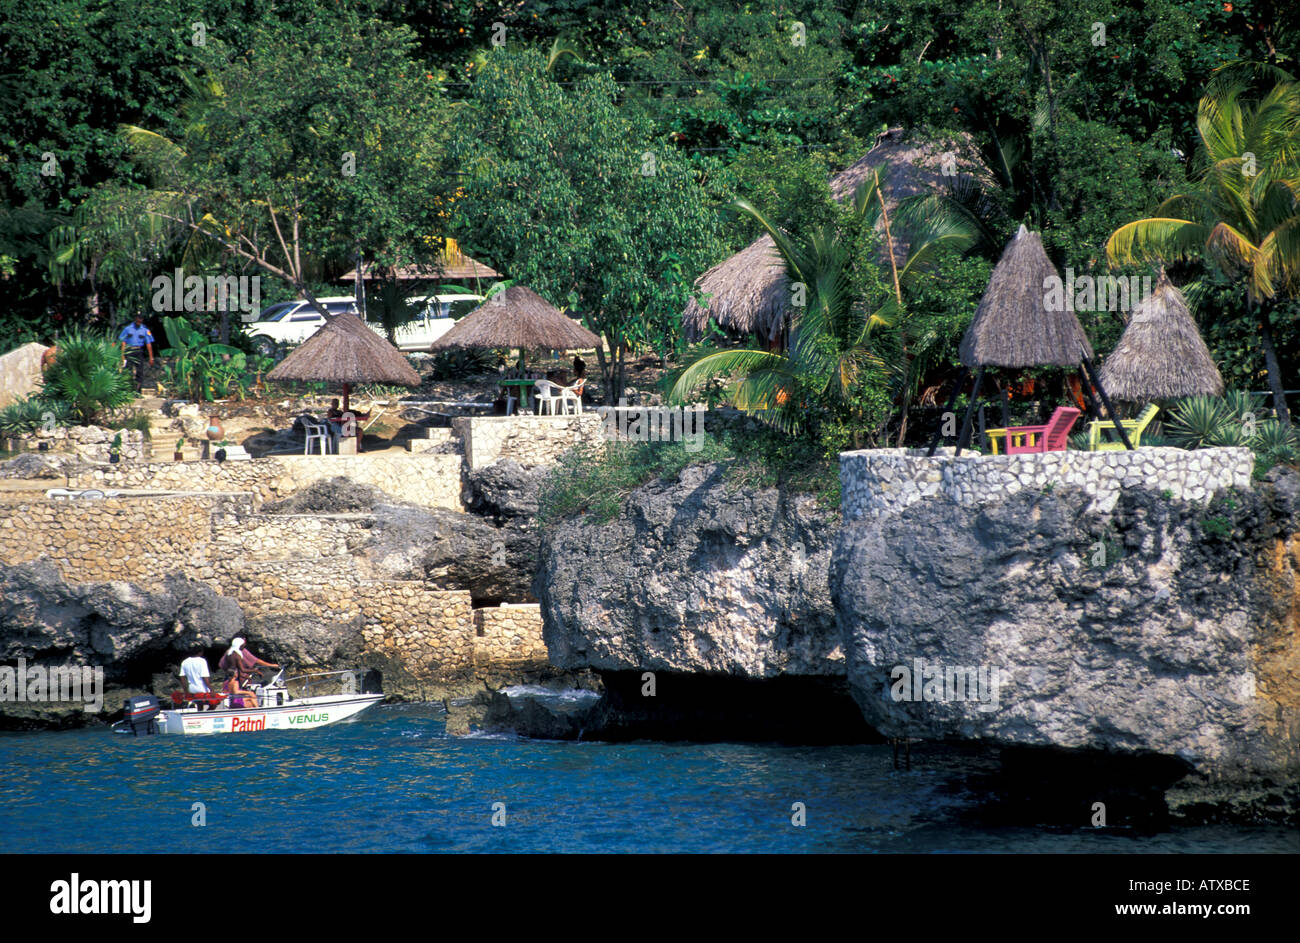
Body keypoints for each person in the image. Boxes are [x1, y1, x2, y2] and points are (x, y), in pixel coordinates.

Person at [118, 314, 155, 393]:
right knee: (128, 370)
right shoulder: (128, 329)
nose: (139, 322)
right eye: (137, 321)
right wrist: (122, 355)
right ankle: (127, 390)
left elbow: (148, 344)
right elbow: (123, 342)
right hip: (129, 351)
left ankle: (138, 390)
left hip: (139, 351)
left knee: (140, 371)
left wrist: (151, 357)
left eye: (140, 321)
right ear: (135, 319)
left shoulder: (144, 330)